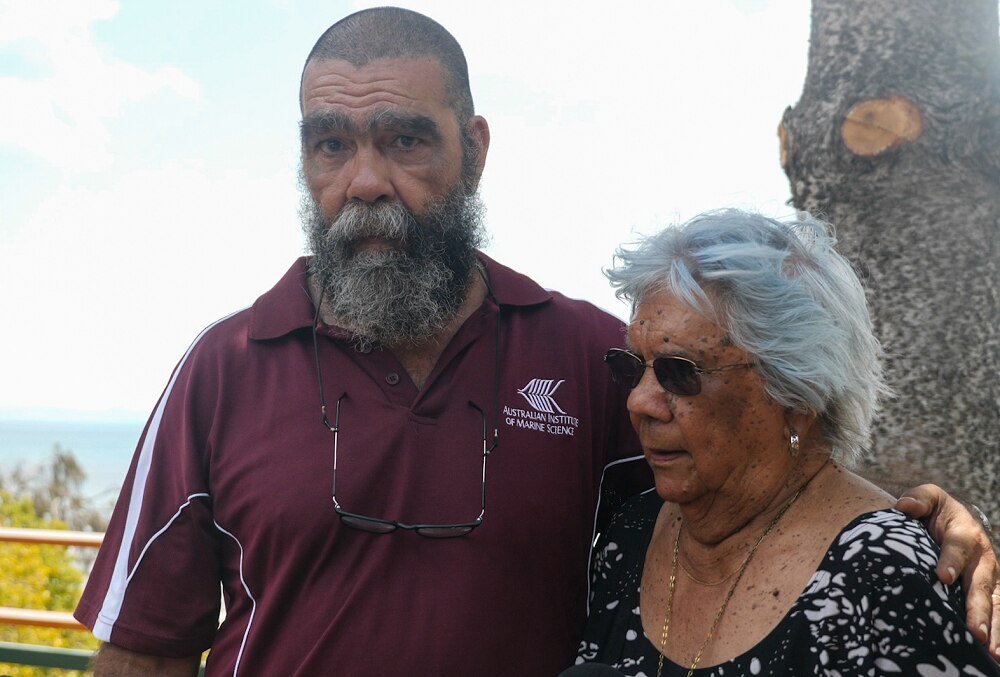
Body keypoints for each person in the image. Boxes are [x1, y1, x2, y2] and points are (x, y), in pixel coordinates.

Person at [72, 8, 998, 676]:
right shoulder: (221, 370)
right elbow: (143, 650)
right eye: (330, 145)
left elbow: (754, 477)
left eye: (404, 141)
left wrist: (917, 525)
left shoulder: (593, 362)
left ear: (473, 148)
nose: (365, 181)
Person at [574, 209, 1000, 675]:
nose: (639, 401)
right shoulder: (631, 534)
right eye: (633, 365)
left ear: (796, 394)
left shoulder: (885, 571)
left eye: (680, 372)